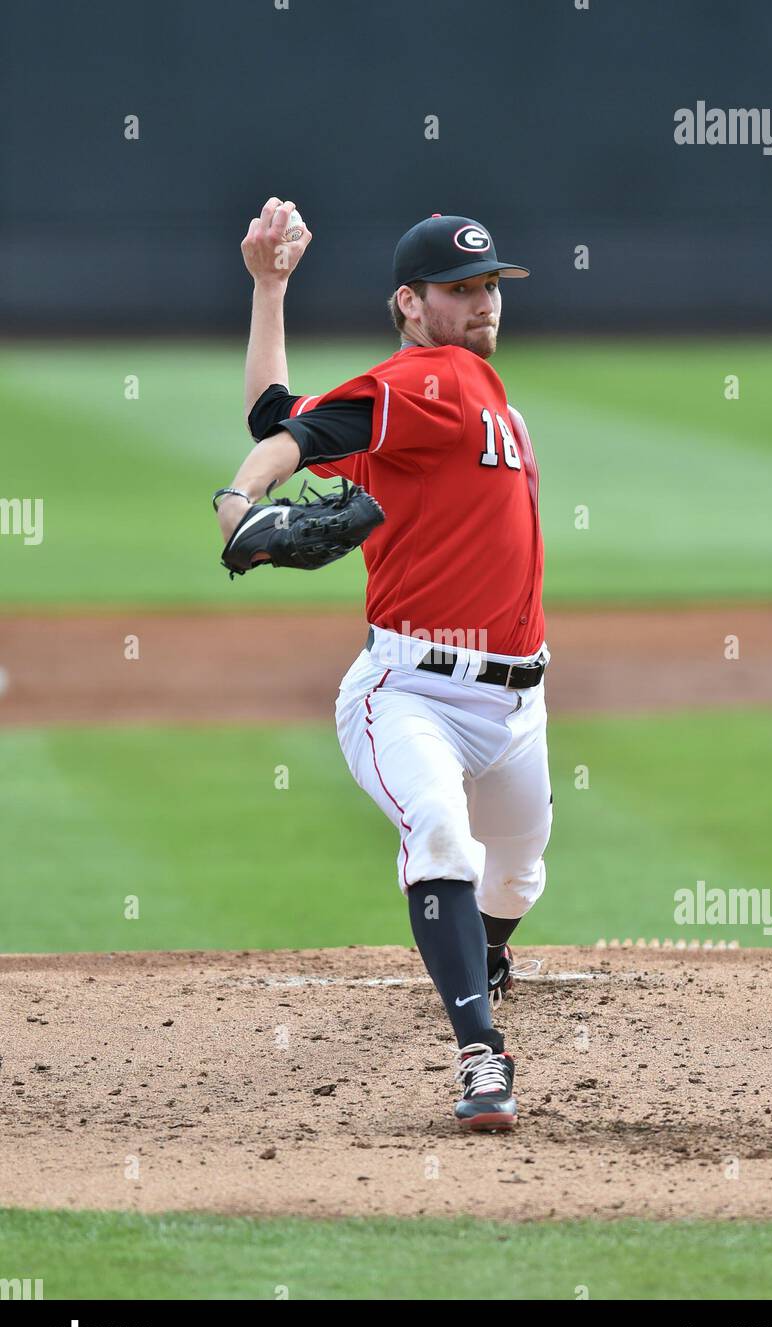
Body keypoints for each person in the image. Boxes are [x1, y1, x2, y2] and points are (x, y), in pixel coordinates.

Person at [215, 198, 552, 1131]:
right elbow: (287, 443)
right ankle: (482, 1055)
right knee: (441, 835)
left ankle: (481, 956)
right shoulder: (427, 383)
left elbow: (274, 412)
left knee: (517, 881)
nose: (483, 302)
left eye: (490, 285)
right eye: (459, 288)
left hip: (520, 705)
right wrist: (236, 502)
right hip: (409, 694)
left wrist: (269, 289)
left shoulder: (463, 405)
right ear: (412, 303)